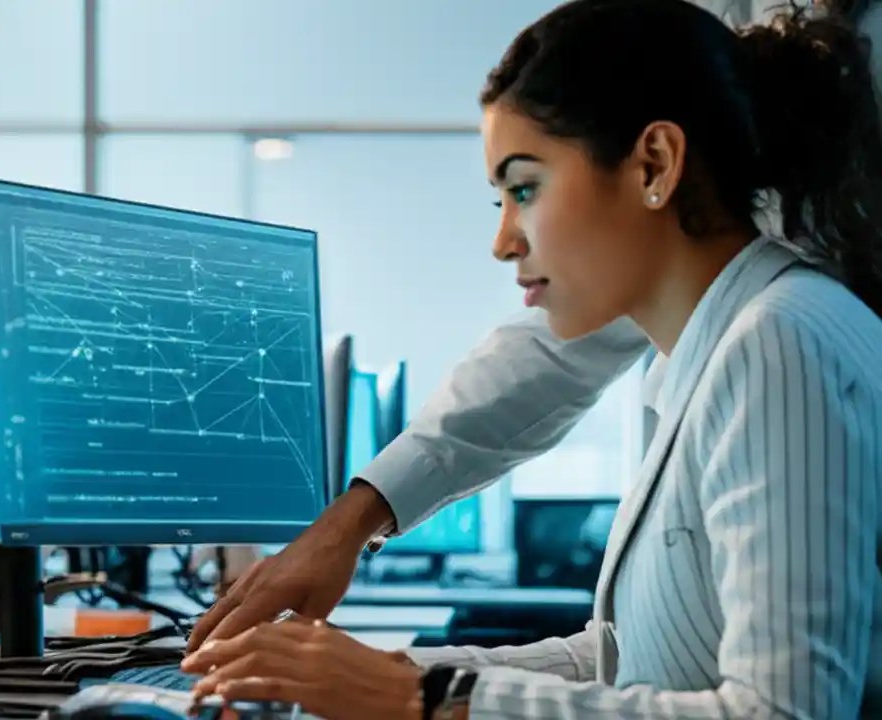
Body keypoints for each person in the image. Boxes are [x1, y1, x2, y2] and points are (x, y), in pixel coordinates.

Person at [179, 0, 882, 717]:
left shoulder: (776, 344)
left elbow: (786, 712)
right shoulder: (711, 355)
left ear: (655, 165)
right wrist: (374, 672)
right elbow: (622, 661)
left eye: (525, 188)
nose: (505, 241)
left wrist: (417, 697)